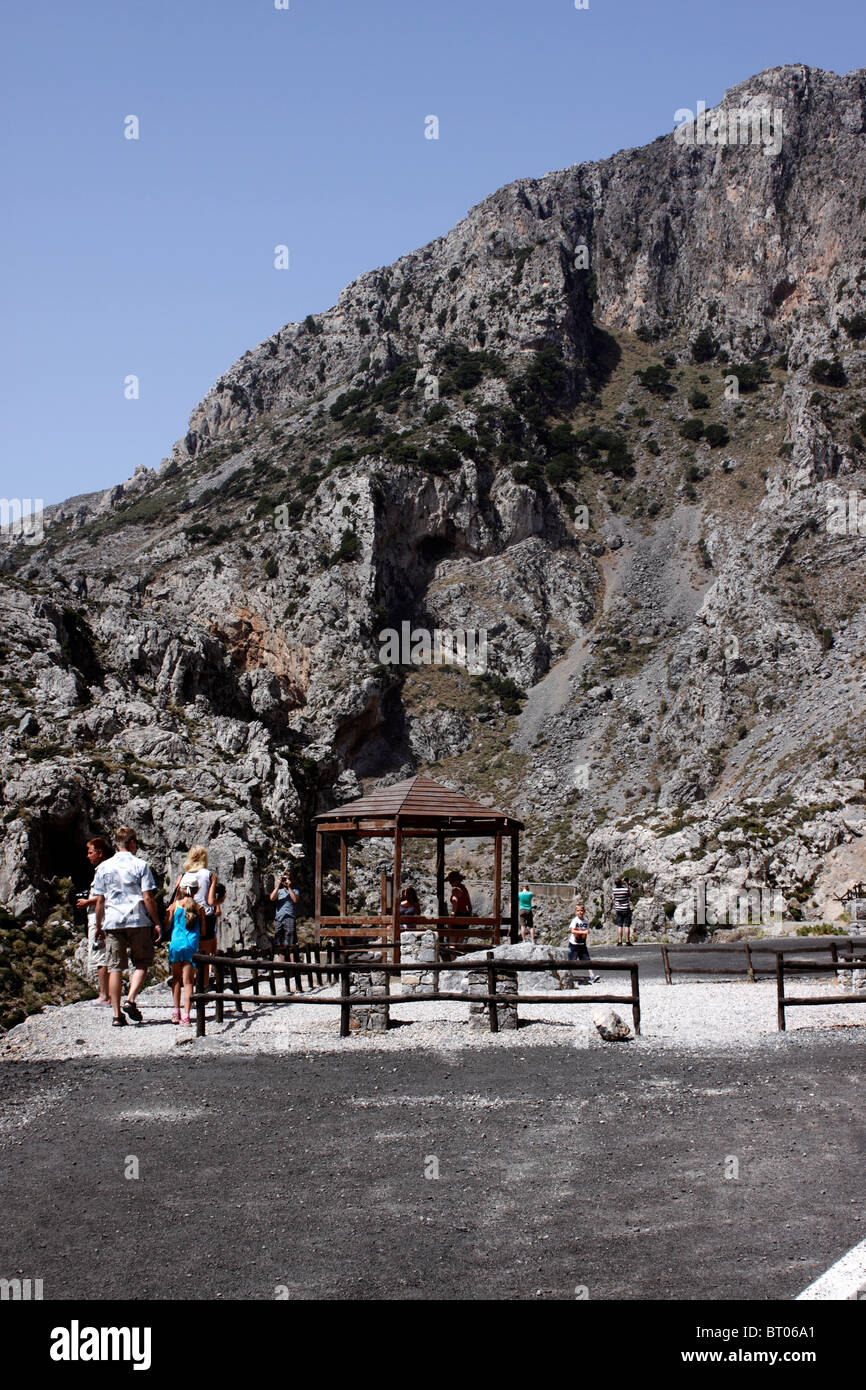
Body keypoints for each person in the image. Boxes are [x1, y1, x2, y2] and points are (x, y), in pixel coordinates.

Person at [92, 827, 161, 1027]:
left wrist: (98, 925)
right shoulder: (141, 865)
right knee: (142, 961)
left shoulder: (103, 867)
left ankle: (116, 1015)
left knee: (115, 967)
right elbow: (148, 897)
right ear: (131, 843)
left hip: (112, 921)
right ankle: (130, 999)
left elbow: (99, 901)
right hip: (137, 919)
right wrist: (156, 922)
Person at [167, 847, 217, 990]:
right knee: (205, 956)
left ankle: (187, 982)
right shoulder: (210, 875)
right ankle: (204, 987)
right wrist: (222, 899)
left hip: (185, 915)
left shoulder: (184, 875)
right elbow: (211, 901)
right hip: (204, 915)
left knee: (189, 952)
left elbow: (175, 899)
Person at [76, 836, 110, 1005]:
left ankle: (104, 995)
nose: (88, 856)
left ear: (99, 853)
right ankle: (106, 994)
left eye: (90, 853)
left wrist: (87, 902)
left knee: (100, 956)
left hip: (99, 918)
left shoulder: (102, 870)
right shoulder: (105, 869)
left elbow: (103, 896)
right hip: (101, 917)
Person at [168, 885, 204, 1025]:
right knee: (188, 982)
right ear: (196, 890)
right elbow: (204, 930)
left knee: (176, 979)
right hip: (191, 945)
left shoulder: (175, 906)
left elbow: (168, 926)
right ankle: (186, 1016)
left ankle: (176, 1012)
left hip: (176, 944)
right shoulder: (199, 908)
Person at [269, 868, 299, 975]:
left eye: (287, 879)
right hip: (279, 918)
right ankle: (282, 965)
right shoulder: (279, 891)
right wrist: (278, 885)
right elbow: (272, 898)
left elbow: (295, 900)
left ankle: (292, 965)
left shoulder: (294, 891)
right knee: (280, 943)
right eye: (284, 879)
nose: (285, 881)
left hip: (289, 917)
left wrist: (289, 887)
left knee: (290, 942)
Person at [567, 900, 600, 984]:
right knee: (571, 961)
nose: (580, 912)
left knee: (587, 960)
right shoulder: (575, 920)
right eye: (578, 911)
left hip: (582, 944)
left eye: (581, 910)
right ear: (575, 912)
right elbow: (572, 930)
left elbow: (587, 931)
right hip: (574, 944)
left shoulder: (586, 922)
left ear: (584, 912)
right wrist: (582, 932)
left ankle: (592, 975)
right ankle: (567, 975)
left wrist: (585, 933)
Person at [612, 876, 633, 945]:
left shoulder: (614, 890)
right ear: (621, 883)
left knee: (620, 925)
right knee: (627, 925)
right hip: (626, 908)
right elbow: (630, 894)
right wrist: (626, 883)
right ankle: (627, 941)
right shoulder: (625, 890)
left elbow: (613, 898)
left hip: (618, 909)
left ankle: (620, 941)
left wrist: (621, 881)